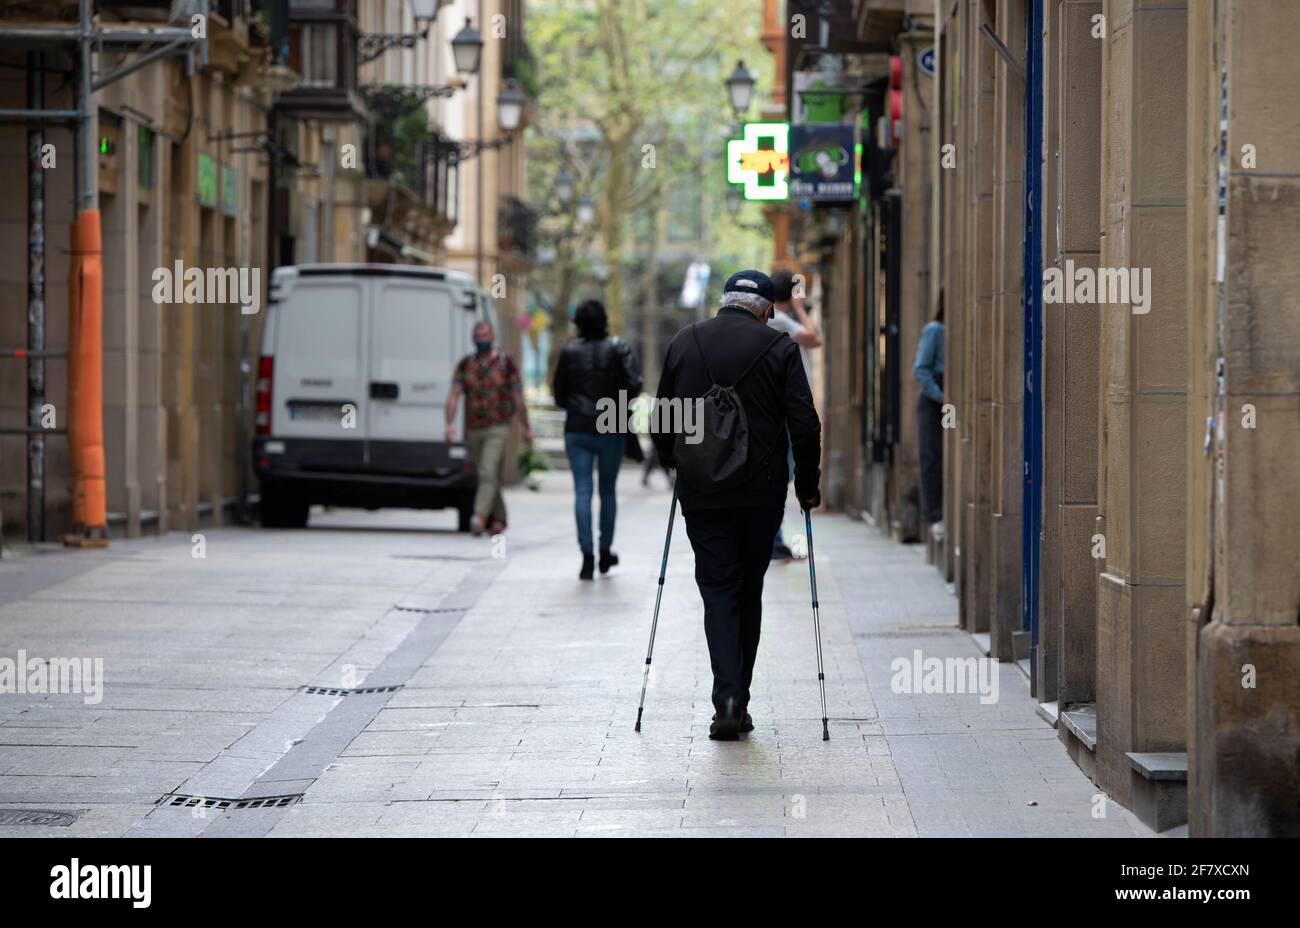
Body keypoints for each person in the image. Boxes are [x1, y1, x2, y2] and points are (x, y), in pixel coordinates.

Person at [652, 269, 822, 740]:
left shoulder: (685, 341)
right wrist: (807, 485)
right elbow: (805, 425)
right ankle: (737, 698)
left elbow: (662, 416)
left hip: (702, 493)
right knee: (748, 589)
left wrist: (675, 462)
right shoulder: (779, 347)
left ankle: (726, 698)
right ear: (768, 310)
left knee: (718, 590)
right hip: (760, 492)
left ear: (724, 301)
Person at [553, 299, 642, 580]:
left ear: (577, 322)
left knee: (582, 490)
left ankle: (587, 555)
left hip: (578, 427)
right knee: (607, 491)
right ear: (604, 320)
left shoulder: (569, 353)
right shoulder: (620, 348)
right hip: (611, 424)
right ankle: (605, 550)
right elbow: (635, 384)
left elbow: (559, 395)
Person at [445, 321, 532, 536]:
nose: (481, 339)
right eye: (478, 335)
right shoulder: (466, 365)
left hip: (498, 427)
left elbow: (518, 398)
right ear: (473, 338)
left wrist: (526, 427)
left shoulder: (505, 364)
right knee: (488, 475)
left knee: (487, 470)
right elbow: (454, 396)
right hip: (474, 428)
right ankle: (500, 518)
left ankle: (479, 516)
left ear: (493, 336)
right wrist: (448, 424)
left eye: (485, 335)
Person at [765, 268, 823, 559]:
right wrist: (800, 309)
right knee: (781, 475)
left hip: (782, 408)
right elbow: (814, 338)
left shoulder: (772, 318)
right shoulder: (781, 319)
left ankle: (773, 539)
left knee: (779, 475)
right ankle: (773, 541)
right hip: (788, 410)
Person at [912, 293, 945, 529]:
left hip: (946, 400)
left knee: (943, 458)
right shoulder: (935, 330)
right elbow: (920, 369)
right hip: (933, 401)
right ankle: (934, 517)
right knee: (931, 457)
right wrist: (942, 397)